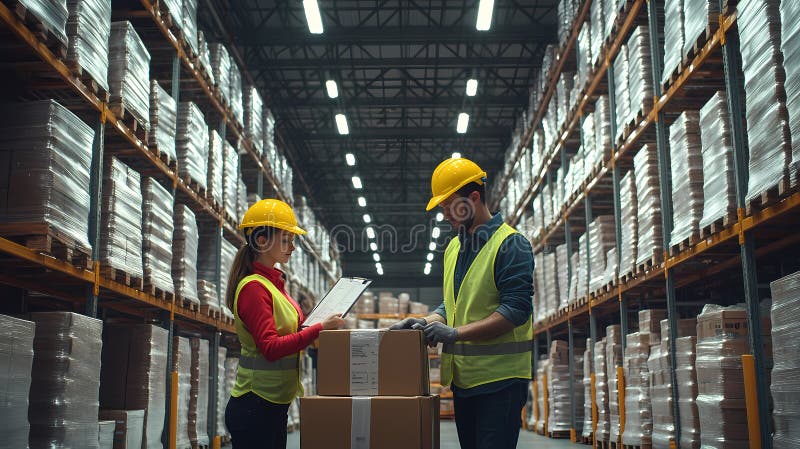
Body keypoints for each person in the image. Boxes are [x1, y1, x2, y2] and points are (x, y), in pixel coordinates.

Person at [391, 157, 535, 449]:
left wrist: (456, 334)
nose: (445, 214)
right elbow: (452, 305)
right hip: (464, 381)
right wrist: (425, 322)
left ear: (474, 197)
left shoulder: (512, 244)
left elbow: (515, 310)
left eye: (449, 205)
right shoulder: (454, 247)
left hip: (501, 380)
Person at [224, 199, 345, 449]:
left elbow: (293, 333)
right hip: (254, 404)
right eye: (286, 239)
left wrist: (318, 325)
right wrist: (319, 328)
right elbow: (270, 347)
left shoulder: (276, 286)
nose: (292, 247)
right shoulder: (254, 289)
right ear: (261, 240)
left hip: (273, 404)